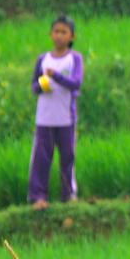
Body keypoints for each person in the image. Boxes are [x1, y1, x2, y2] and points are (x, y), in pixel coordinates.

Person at [28, 15, 84, 209]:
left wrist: (57, 76)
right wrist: (42, 85)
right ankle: (38, 196)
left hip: (66, 118)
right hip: (44, 118)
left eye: (64, 32)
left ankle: (68, 196)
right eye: (56, 31)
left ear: (71, 36)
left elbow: (76, 83)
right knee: (41, 158)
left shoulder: (74, 58)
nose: (59, 36)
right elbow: (34, 86)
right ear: (50, 34)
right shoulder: (43, 59)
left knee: (67, 157)